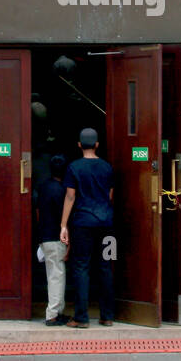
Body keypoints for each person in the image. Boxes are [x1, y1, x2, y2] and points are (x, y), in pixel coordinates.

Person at [60, 128, 115, 328]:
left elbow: (70, 196)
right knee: (107, 266)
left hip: (82, 224)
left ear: (79, 145)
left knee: (81, 267)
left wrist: (63, 224)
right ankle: (107, 316)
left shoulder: (74, 167)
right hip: (107, 224)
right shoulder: (107, 167)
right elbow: (110, 196)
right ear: (97, 145)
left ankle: (81, 318)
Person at [37, 154, 70, 326]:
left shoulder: (43, 187)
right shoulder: (62, 190)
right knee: (56, 276)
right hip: (56, 237)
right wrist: (68, 241)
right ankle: (52, 314)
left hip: (44, 235)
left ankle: (58, 312)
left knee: (55, 274)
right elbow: (63, 217)